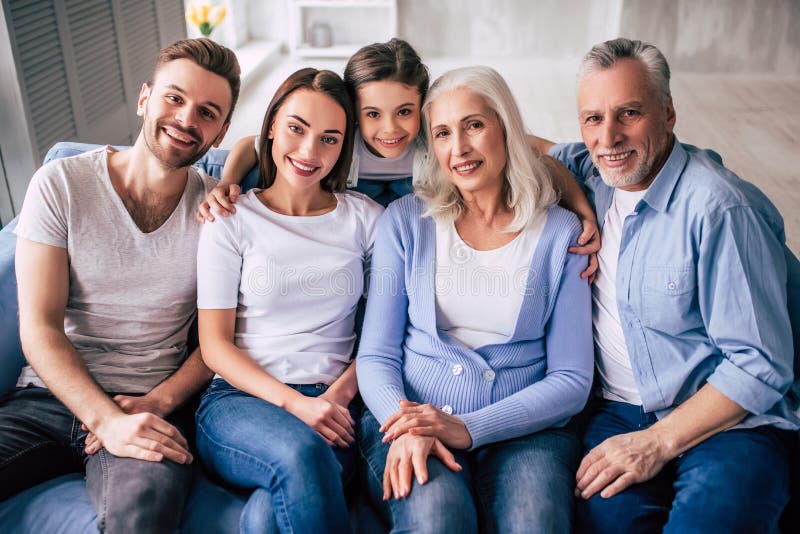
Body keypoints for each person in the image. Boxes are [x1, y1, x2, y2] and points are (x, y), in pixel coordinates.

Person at [531, 37, 799, 532]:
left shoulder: (720, 209)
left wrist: (656, 443)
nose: (608, 138)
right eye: (593, 118)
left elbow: (761, 364)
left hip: (729, 421)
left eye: (628, 114)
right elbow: (513, 141)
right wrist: (581, 201)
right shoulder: (590, 172)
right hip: (618, 413)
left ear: (669, 113)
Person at [1, 38, 240, 532]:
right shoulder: (60, 184)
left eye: (207, 112)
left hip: (147, 404)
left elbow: (223, 340)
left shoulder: (219, 214)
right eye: (174, 98)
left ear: (220, 133)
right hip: (48, 398)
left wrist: (160, 402)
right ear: (144, 99)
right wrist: (104, 420)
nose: (185, 119)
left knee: (144, 516)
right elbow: (39, 326)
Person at [356, 66, 594, 533]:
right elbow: (377, 354)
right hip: (409, 416)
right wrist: (405, 425)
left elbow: (572, 378)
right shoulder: (406, 223)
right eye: (442, 133)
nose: (458, 149)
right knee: (437, 519)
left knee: (536, 523)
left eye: (474, 126)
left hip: (530, 430)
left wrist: (468, 428)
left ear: (506, 128)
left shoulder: (562, 235)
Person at [196, 38, 602, 281]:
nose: (390, 129)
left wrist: (585, 211)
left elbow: (540, 154)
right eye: (372, 114)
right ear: (353, 112)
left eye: (404, 112)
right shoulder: (337, 139)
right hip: (359, 207)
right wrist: (225, 181)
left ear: (421, 107)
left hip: (416, 207)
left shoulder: (438, 136)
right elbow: (253, 143)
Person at [194, 68, 384, 533]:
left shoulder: (367, 219)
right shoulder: (231, 217)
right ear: (273, 124)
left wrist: (336, 398)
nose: (308, 152)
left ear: (345, 147)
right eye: (297, 129)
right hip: (239, 401)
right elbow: (215, 346)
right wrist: (294, 406)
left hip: (333, 401)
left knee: (265, 518)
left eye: (329, 139)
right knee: (301, 453)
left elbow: (388, 331)